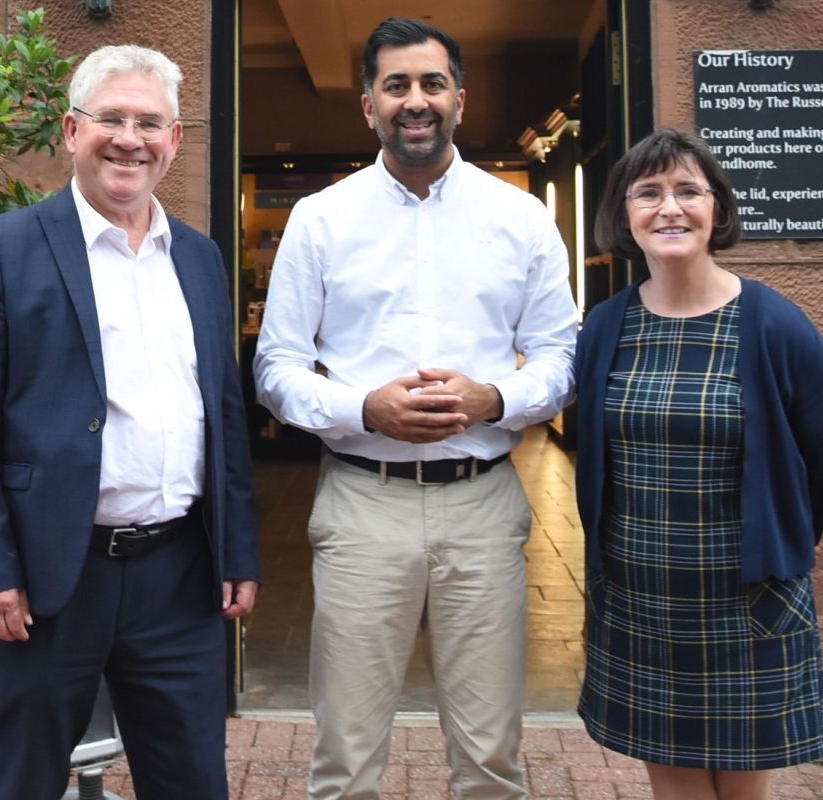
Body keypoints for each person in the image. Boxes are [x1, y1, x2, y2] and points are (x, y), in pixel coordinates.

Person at [253, 17, 576, 799]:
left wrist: (493, 397)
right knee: (345, 758)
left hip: (484, 505)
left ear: (459, 99)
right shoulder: (322, 219)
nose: (415, 100)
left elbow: (565, 360)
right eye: (396, 85)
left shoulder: (522, 219)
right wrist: (366, 408)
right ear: (369, 105)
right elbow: (276, 368)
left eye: (431, 83)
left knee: (492, 758)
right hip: (365, 503)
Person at [0, 45, 260, 800]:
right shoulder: (4, 249)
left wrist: (237, 547)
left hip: (178, 577)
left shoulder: (201, 260)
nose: (130, 138)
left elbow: (224, 413)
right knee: (23, 780)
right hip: (49, 579)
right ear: (72, 130)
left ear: (175, 140)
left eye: (149, 123)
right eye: (110, 118)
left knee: (191, 781)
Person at [573, 128, 823, 800]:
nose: (670, 207)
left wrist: (778, 543)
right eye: (649, 193)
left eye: (688, 190)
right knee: (676, 791)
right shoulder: (605, 328)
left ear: (716, 210)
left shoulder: (774, 325)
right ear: (624, 215)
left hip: (746, 604)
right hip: (641, 603)